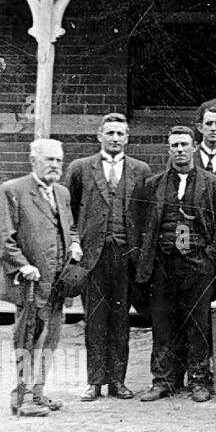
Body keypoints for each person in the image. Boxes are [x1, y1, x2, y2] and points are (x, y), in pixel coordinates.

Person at [135, 126, 216, 403]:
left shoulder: (212, 184)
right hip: (163, 264)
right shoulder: (153, 184)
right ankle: (164, 380)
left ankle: (199, 380)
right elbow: (144, 225)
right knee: (163, 323)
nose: (179, 150)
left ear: (194, 148)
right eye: (174, 145)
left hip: (198, 264)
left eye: (184, 145)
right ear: (169, 149)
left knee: (197, 324)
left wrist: (209, 258)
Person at [0, 138, 83, 416]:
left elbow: (70, 227)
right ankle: (21, 396)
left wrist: (75, 244)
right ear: (33, 161)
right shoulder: (12, 190)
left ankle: (38, 392)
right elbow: (1, 238)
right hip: (29, 283)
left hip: (57, 281)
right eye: (49, 160)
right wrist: (22, 265)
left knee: (51, 336)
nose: (55, 165)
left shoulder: (62, 193)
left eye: (59, 160)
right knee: (27, 336)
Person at [65, 113, 150, 401]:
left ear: (128, 138)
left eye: (120, 134)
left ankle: (118, 381)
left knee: (120, 320)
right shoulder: (80, 168)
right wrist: (74, 242)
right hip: (93, 256)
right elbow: (69, 211)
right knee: (94, 319)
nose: (115, 138)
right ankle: (94, 382)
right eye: (110, 133)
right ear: (99, 136)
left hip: (125, 255)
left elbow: (146, 213)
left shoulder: (141, 169)